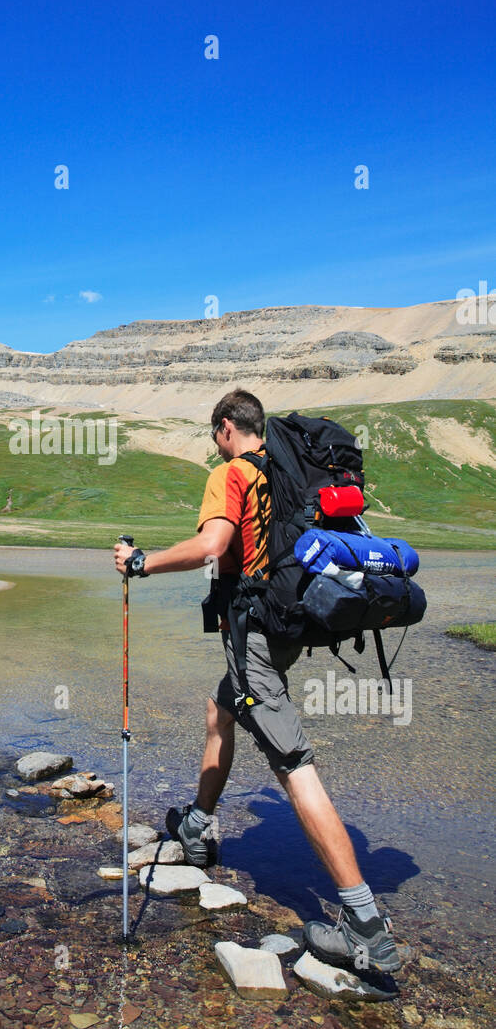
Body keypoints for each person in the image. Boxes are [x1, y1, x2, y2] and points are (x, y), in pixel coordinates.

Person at [112, 387, 401, 975]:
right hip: (288, 625)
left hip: (257, 635)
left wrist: (141, 562)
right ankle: (197, 825)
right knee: (221, 710)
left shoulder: (233, 473)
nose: (213, 445)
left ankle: (366, 928)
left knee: (292, 764)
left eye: (212, 435)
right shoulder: (286, 470)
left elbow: (211, 547)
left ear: (225, 428)